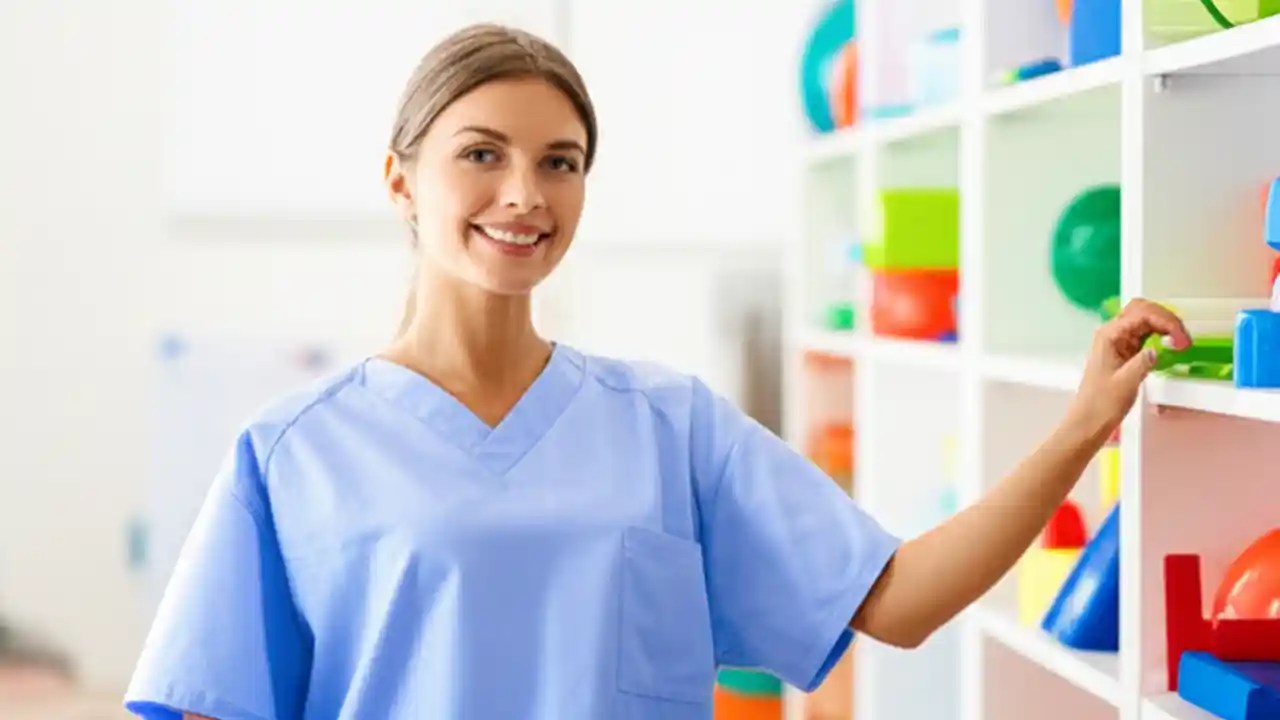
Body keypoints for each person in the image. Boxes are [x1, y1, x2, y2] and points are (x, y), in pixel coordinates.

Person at [123, 22, 1191, 720]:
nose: (524, 197)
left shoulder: (667, 425)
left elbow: (897, 602)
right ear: (400, 181)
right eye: (481, 153)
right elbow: (208, 703)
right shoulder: (293, 451)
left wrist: (1076, 427)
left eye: (560, 162)